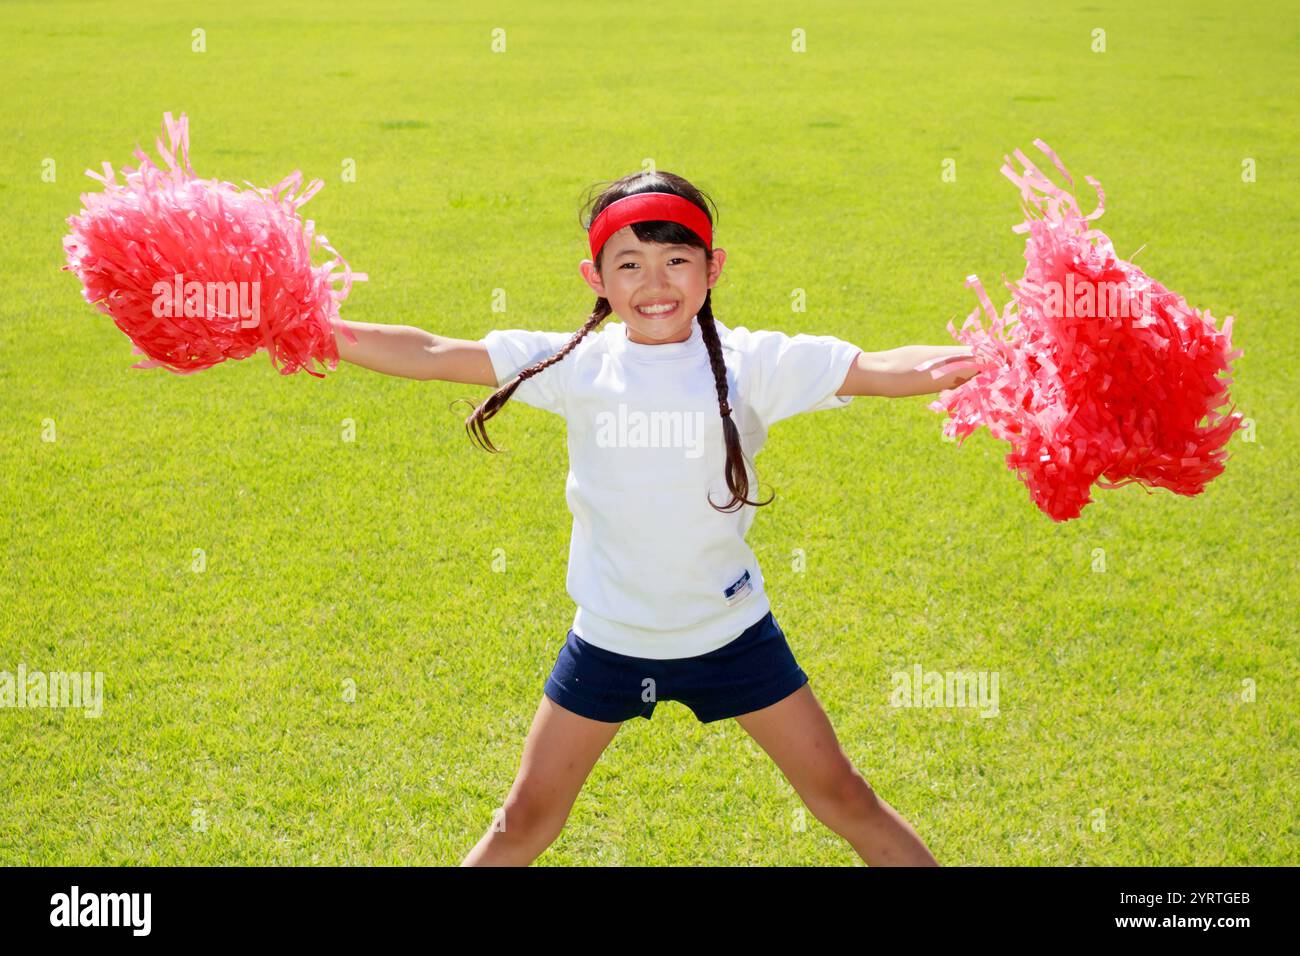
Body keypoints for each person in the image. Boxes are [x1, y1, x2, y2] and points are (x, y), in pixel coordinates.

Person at [330, 171, 976, 866]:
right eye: (629, 264)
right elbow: (429, 353)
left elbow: (883, 369)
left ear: (712, 267)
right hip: (611, 640)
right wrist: (305, 326)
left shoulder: (754, 361)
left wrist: (997, 361)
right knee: (524, 821)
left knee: (843, 797)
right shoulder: (574, 363)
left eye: (676, 260)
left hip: (731, 635)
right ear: (596, 277)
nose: (655, 282)